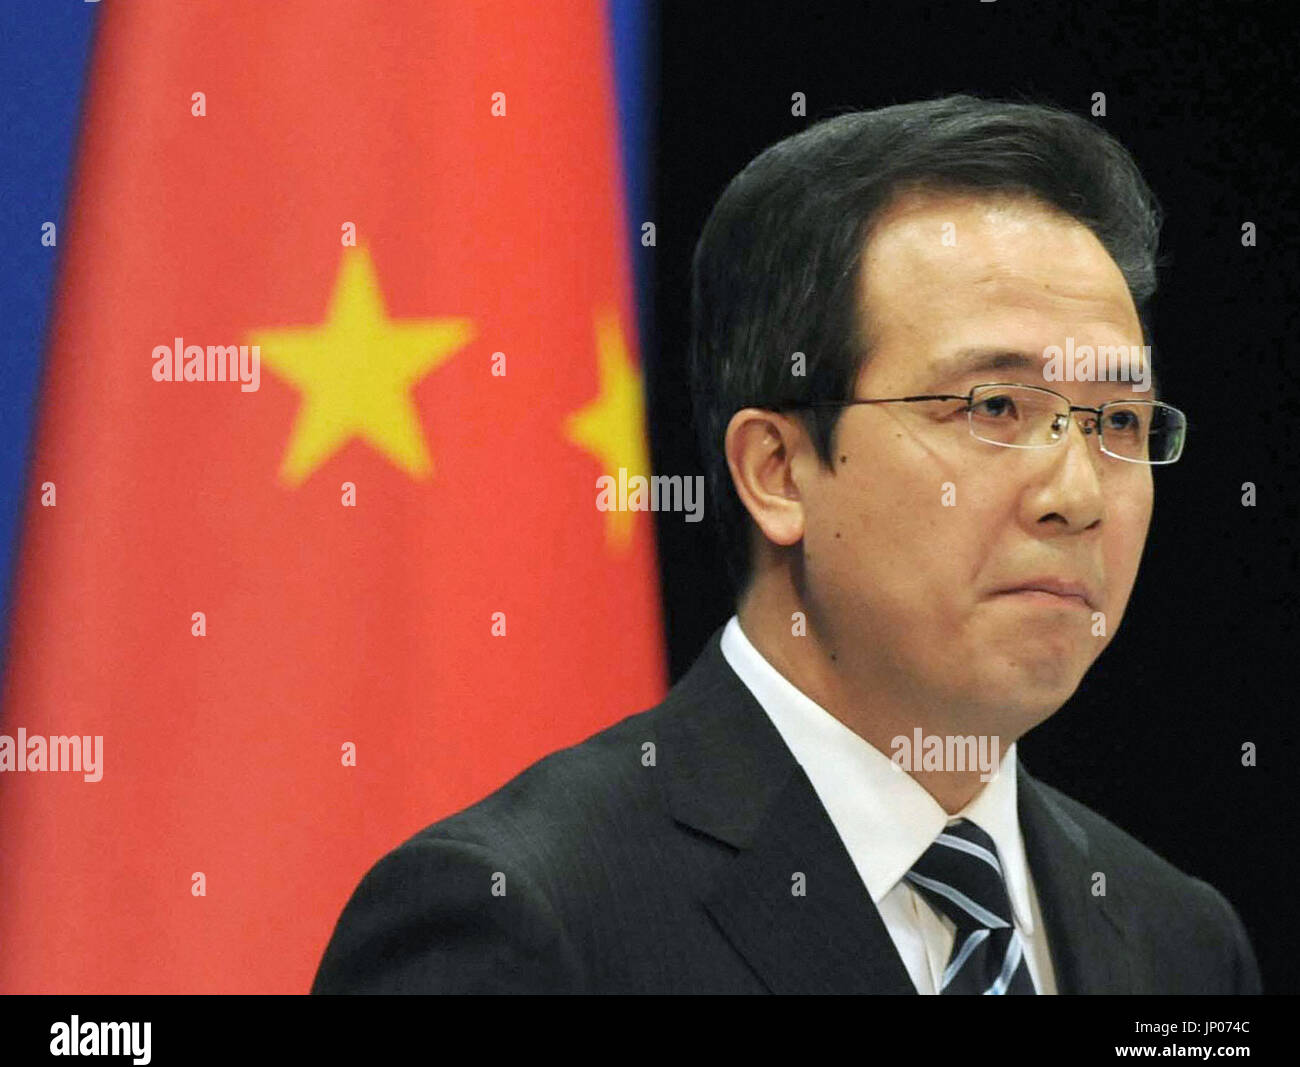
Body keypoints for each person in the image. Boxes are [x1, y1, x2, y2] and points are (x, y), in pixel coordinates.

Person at [311, 95, 1262, 994]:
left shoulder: (1178, 938)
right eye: (995, 406)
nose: (1076, 493)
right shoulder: (521, 919)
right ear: (777, 469)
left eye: (1119, 422)